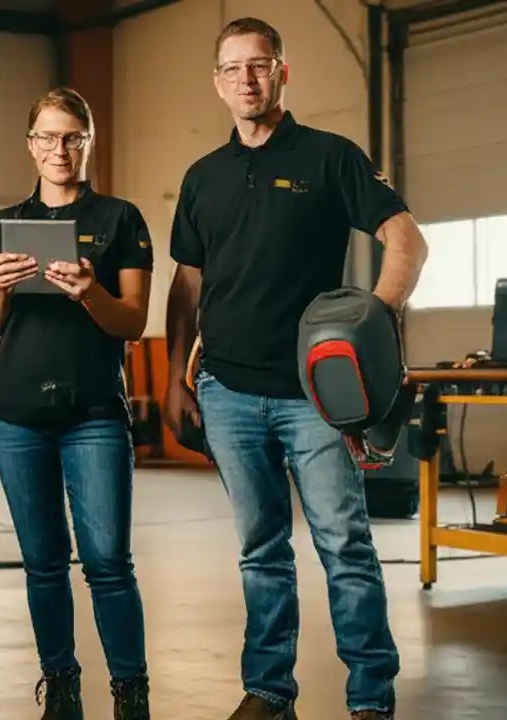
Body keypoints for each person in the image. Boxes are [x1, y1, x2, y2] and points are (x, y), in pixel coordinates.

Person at [162, 17, 429, 720]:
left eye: (259, 65)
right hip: (225, 389)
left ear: (282, 72)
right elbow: (187, 284)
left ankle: (371, 698)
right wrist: (171, 378)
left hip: (315, 396)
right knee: (260, 550)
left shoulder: (329, 157)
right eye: (231, 68)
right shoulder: (202, 177)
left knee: (345, 545)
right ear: (216, 82)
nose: (246, 79)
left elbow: (407, 240)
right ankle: (269, 691)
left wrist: (376, 317)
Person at [0, 87, 153, 720]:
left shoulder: (122, 218)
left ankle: (130, 693)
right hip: (15, 413)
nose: (60, 149)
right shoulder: (0, 225)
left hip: (94, 414)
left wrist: (88, 292)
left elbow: (132, 322)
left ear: (89, 141)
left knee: (107, 561)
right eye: (47, 137)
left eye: (72, 136)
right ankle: (63, 688)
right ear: (30, 146)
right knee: (44, 563)